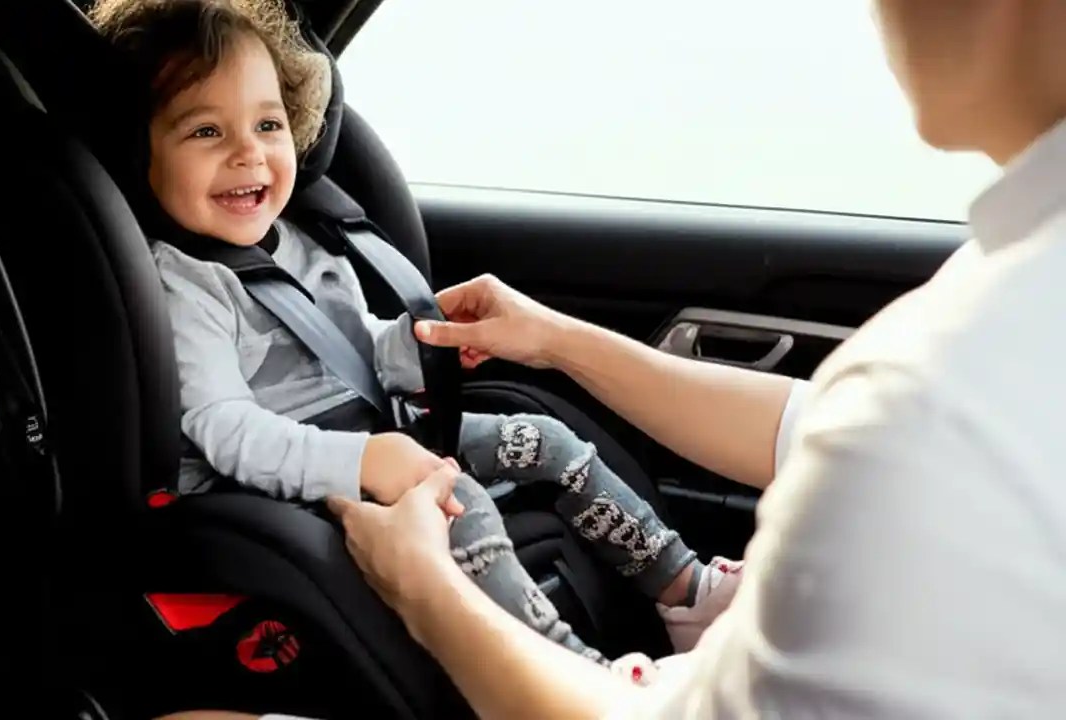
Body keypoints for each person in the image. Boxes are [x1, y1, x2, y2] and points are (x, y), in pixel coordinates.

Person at [326, 0, 1066, 717]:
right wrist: (557, 339)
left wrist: (422, 585)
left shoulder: (944, 402)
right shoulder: (1012, 305)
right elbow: (807, 425)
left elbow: (886, 433)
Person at [87, 0, 739, 674]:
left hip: (380, 433)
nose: (249, 151)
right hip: (292, 482)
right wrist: (362, 462)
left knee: (546, 441)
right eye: (205, 132)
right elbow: (224, 429)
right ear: (142, 154)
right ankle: (574, 678)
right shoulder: (183, 285)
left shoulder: (304, 242)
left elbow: (351, 343)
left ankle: (687, 591)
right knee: (462, 503)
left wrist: (423, 343)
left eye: (267, 123)